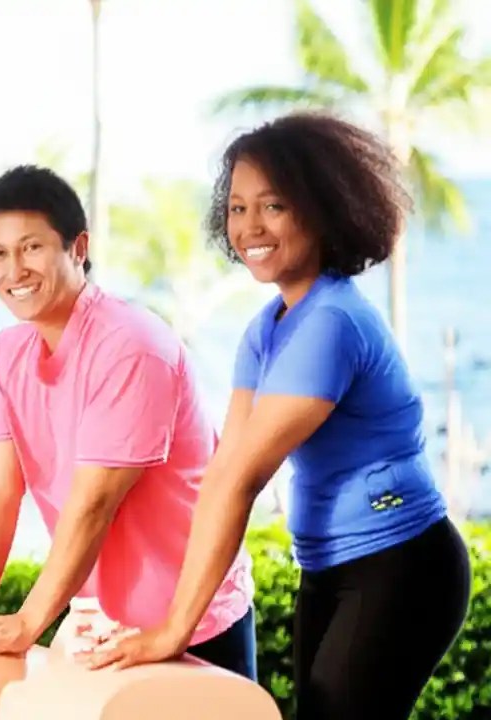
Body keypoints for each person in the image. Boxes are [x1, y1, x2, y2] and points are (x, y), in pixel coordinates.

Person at [89, 113, 472, 718]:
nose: (250, 227)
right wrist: (168, 618)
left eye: (273, 206)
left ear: (320, 210)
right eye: (238, 208)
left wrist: (174, 631)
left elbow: (242, 481)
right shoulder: (267, 330)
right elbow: (220, 474)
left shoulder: (330, 324)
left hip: (400, 565)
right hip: (328, 566)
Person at [0, 165, 258, 679]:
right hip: (107, 628)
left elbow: (96, 503)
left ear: (77, 247)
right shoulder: (10, 352)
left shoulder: (131, 346)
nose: (14, 271)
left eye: (31, 247)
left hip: (192, 623)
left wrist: (29, 622)